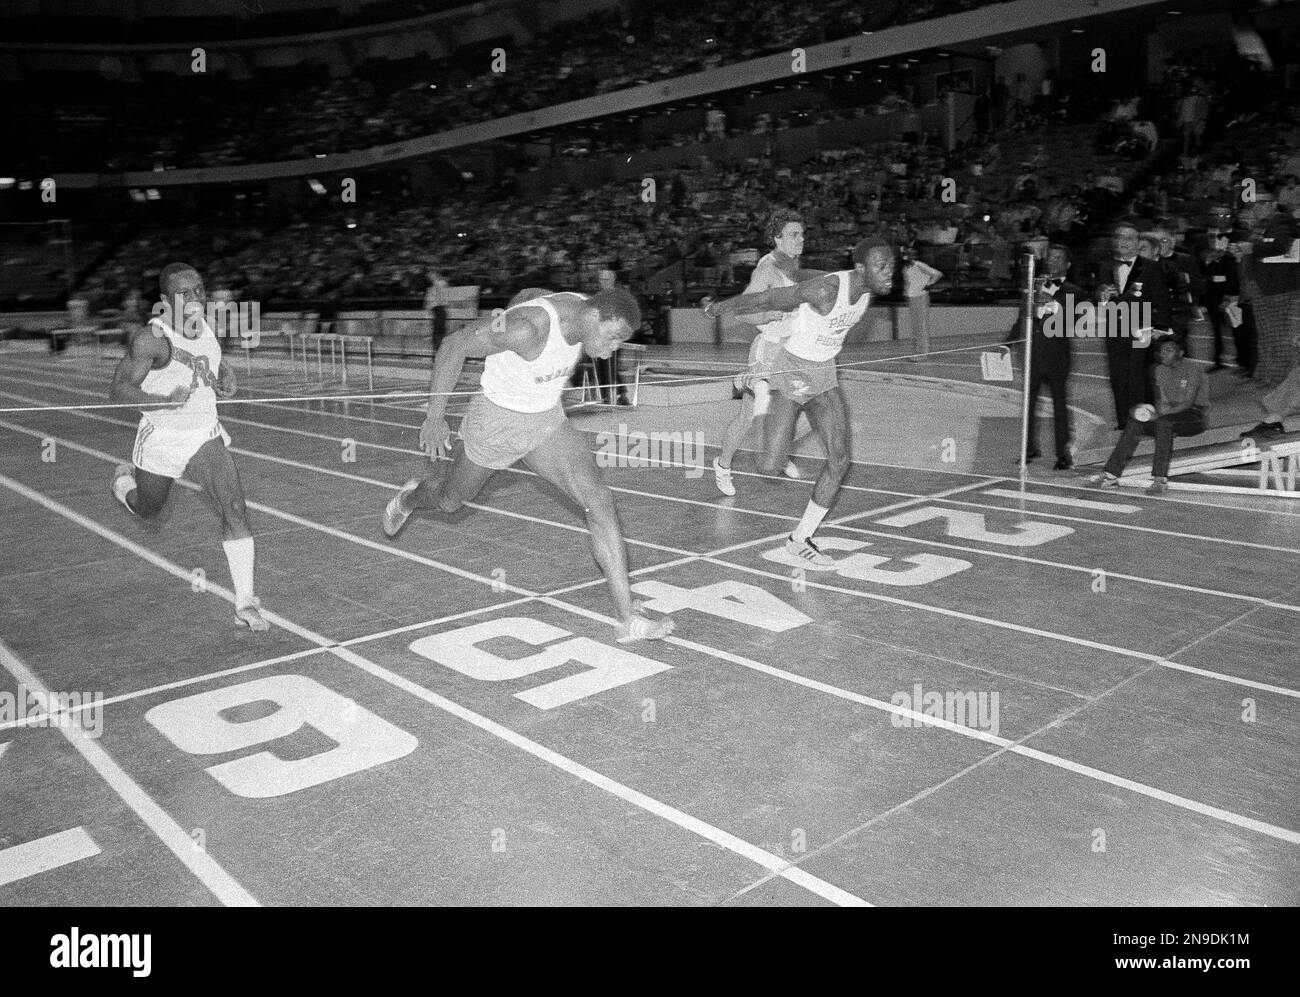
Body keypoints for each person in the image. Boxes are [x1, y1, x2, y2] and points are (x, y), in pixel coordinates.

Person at [382, 286, 673, 644]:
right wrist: (434, 417)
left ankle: (628, 618)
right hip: (495, 423)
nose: (614, 350)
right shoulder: (528, 328)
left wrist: (520, 297)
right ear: (594, 316)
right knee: (448, 501)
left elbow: (531, 291)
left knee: (598, 500)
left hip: (545, 420)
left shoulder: (583, 310)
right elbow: (453, 345)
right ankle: (410, 499)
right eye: (613, 339)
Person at [702, 236, 896, 564]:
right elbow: (767, 299)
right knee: (768, 467)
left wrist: (799, 270)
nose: (890, 272)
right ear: (861, 268)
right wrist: (717, 308)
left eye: (892, 266)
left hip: (824, 375)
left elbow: (809, 273)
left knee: (840, 460)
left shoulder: (864, 290)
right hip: (791, 370)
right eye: (882, 266)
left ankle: (800, 537)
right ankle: (761, 392)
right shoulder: (825, 291)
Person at [108, 262, 267, 630]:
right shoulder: (152, 339)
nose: (195, 298)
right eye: (184, 294)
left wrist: (225, 376)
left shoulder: (206, 324)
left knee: (234, 508)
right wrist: (162, 401)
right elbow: (117, 390)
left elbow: (210, 362)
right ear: (165, 300)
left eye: (199, 290)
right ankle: (122, 485)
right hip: (162, 439)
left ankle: (245, 602)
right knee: (149, 509)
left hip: (204, 435)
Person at [712, 211, 819, 496]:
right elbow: (740, 313)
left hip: (793, 350)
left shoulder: (793, 266)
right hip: (768, 350)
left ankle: (778, 451)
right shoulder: (767, 270)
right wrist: (770, 313)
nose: (801, 239)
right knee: (748, 417)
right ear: (777, 238)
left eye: (803, 234)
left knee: (811, 412)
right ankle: (722, 465)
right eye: (794, 234)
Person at [1087, 336, 1209, 495]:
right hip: (1170, 416)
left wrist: (1159, 416)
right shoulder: (1159, 370)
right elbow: (1162, 401)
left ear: (1181, 353)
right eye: (1162, 350)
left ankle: (1160, 480)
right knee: (1136, 422)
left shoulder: (1193, 368)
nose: (1163, 354)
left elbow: (1187, 403)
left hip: (1194, 415)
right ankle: (1111, 475)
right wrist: (1148, 413)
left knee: (1163, 423)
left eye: (1169, 350)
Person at [1092, 221, 1173, 429]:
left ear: (1138, 243)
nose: (1122, 242)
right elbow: (1099, 300)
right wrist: (1101, 297)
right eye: (1119, 237)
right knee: (1117, 375)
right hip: (1113, 328)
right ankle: (1123, 421)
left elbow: (1162, 300)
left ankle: (1140, 421)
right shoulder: (1105, 267)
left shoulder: (1151, 268)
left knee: (1138, 375)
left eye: (1128, 238)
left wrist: (1160, 329)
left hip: (1142, 327)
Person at [1024, 244, 1078, 470]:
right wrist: (1007, 344)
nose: (1053, 262)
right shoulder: (1035, 287)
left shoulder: (1074, 291)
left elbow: (1073, 324)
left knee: (1059, 406)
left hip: (1056, 356)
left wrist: (1053, 305)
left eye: (1058, 258)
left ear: (1067, 264)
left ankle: (1063, 454)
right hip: (1033, 355)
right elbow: (1022, 317)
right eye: (1050, 258)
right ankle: (1028, 449)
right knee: (1028, 405)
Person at [900, 250, 943, 361]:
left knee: (921, 325)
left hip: (921, 297)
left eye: (909, 255)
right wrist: (906, 292)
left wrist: (928, 284)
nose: (907, 257)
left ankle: (923, 353)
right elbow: (907, 282)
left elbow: (937, 274)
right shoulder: (905, 268)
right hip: (912, 297)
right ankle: (918, 351)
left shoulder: (918, 265)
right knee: (916, 326)